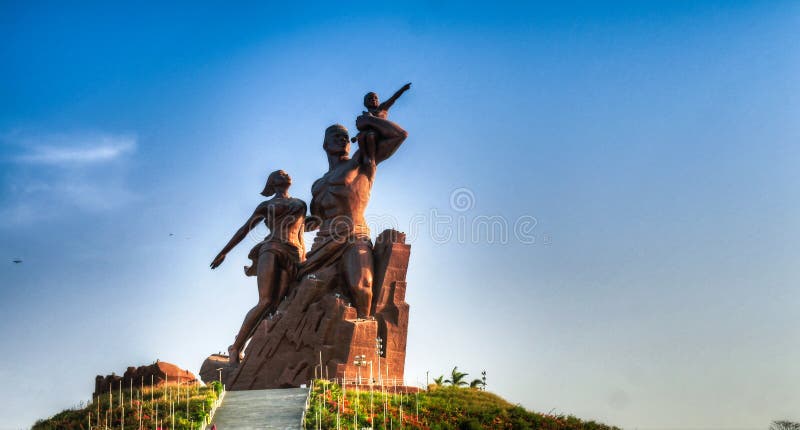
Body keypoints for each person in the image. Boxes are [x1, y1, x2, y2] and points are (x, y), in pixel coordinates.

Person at [299, 118, 407, 318]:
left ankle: (364, 327)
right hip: (323, 243)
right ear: (326, 144)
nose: (343, 140)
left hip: (353, 235)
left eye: (346, 138)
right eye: (337, 137)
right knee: (300, 290)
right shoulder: (318, 184)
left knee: (361, 284)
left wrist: (371, 120)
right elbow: (314, 221)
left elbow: (399, 136)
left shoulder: (361, 162)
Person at [210, 170, 307, 364]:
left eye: (287, 173)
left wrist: (303, 259)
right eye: (280, 174)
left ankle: (263, 346)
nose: (286, 175)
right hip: (271, 248)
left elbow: (301, 234)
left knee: (278, 305)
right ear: (272, 182)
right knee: (265, 301)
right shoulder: (266, 205)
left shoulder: (300, 204)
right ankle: (236, 346)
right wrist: (224, 252)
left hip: (294, 253)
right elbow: (244, 230)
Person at [353, 82, 411, 164]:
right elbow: (362, 128)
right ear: (365, 103)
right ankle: (366, 156)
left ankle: (371, 158)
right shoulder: (364, 116)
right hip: (367, 132)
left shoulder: (382, 108)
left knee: (371, 135)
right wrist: (356, 137)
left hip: (380, 132)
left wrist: (403, 89)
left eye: (375, 98)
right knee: (363, 135)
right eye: (370, 99)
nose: (373, 100)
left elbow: (393, 98)